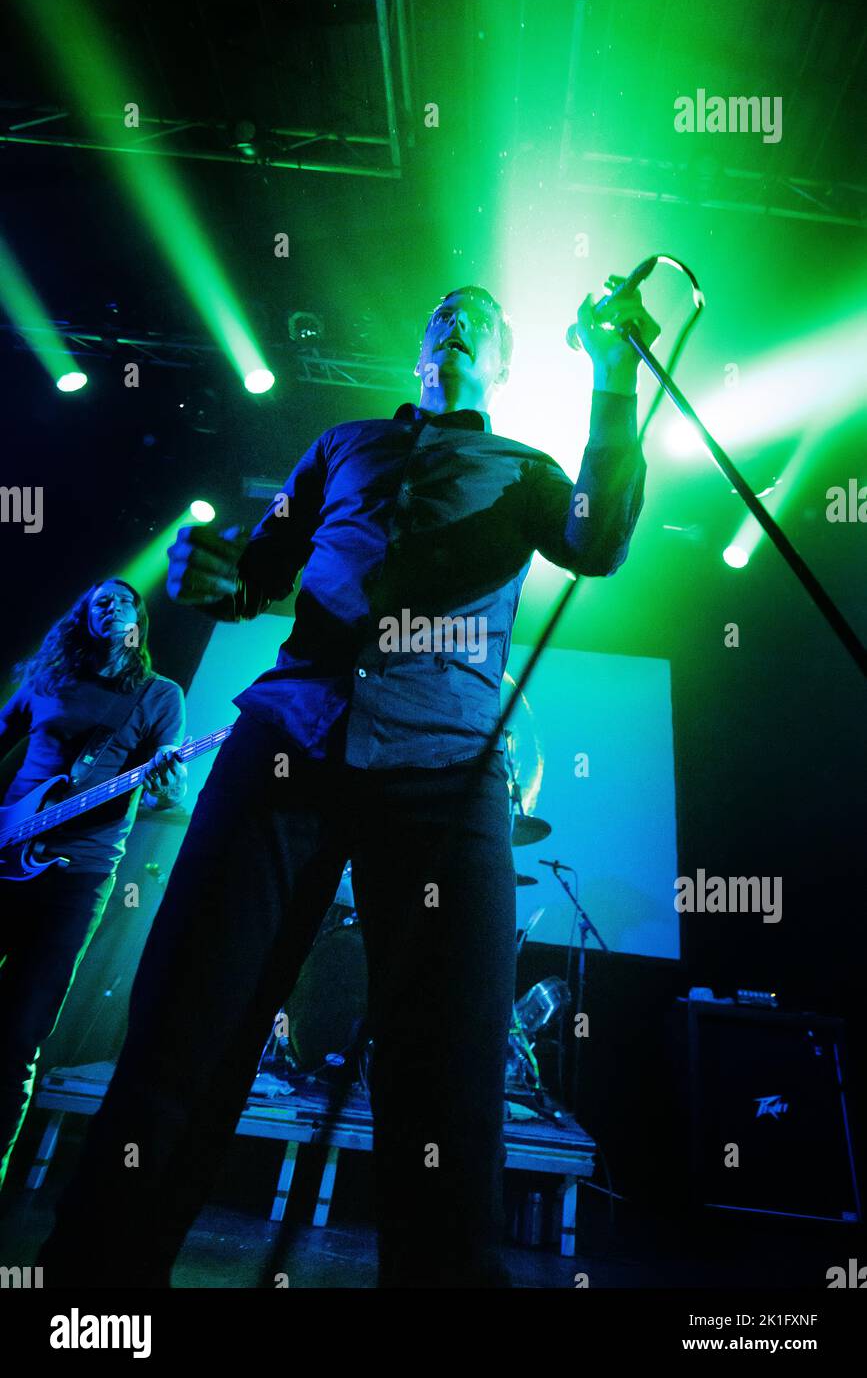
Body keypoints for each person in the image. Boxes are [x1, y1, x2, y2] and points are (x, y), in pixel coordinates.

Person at [39, 283, 659, 1287]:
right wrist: (221, 575)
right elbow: (265, 571)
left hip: (448, 772)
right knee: (182, 1031)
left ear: (502, 363)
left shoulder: (529, 468)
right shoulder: (341, 446)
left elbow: (599, 539)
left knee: (450, 1085)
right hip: (289, 740)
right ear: (420, 353)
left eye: (483, 317)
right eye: (443, 312)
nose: (460, 317)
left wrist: (614, 371)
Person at [0, 579, 186, 1190]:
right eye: (99, 601)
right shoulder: (47, 682)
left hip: (76, 876)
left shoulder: (158, 696)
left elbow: (172, 789)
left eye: (124, 600)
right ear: (83, 617)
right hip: (3, 856)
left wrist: (165, 781)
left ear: (140, 618)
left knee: (20, 1030)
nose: (111, 607)